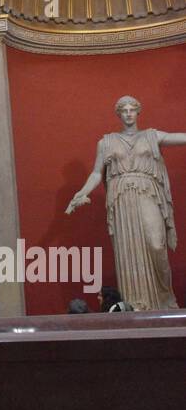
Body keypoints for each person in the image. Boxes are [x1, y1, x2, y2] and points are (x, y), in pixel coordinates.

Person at [66, 95, 184, 310]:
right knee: (128, 250)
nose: (128, 114)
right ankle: (134, 304)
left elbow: (179, 138)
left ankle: (165, 299)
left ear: (138, 112)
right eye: (124, 110)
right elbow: (95, 173)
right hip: (121, 200)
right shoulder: (106, 142)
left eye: (132, 110)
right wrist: (81, 193)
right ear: (118, 114)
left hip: (147, 193)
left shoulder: (152, 136)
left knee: (156, 245)